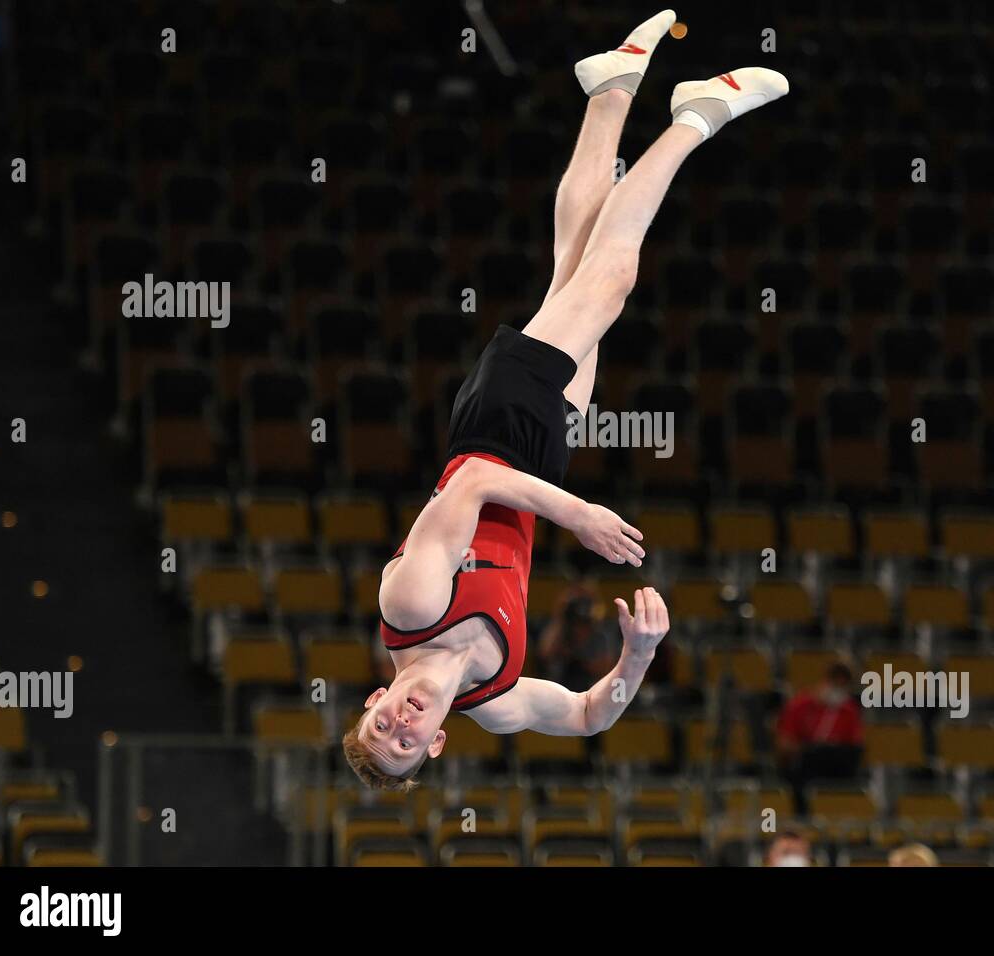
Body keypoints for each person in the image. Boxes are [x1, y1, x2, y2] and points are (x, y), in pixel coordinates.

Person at [343, 9, 790, 790]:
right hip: (541, 451)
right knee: (575, 263)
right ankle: (610, 88)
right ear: (436, 745)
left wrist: (577, 515)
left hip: (494, 431)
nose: (402, 722)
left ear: (376, 696)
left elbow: (476, 484)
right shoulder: (497, 699)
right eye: (407, 742)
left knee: (611, 277)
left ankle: (695, 116)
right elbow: (588, 716)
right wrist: (638, 656)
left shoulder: (411, 605)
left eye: (382, 722)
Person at [776, 660, 865, 811]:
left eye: (842, 687)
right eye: (835, 685)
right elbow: (784, 743)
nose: (838, 691)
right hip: (804, 768)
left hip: (837, 770)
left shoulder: (849, 711)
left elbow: (855, 746)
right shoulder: (799, 705)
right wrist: (805, 749)